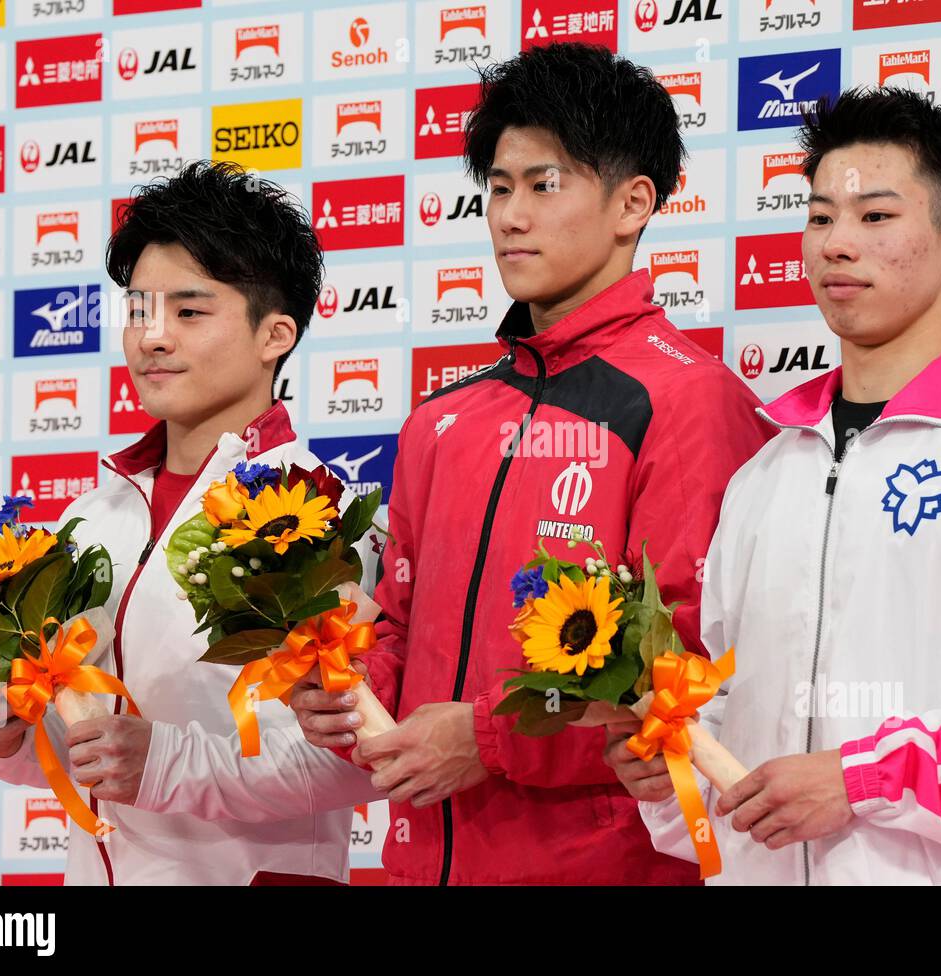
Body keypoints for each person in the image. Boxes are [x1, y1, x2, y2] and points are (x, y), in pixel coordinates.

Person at [607, 87, 941, 885]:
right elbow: (724, 710)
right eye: (819, 218)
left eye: (875, 217)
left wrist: (866, 779)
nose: (836, 244)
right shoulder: (763, 476)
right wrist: (669, 767)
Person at [289, 42, 769, 884]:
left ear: (633, 202)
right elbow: (398, 624)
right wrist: (345, 685)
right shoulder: (443, 420)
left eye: (544, 185)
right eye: (499, 188)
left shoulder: (689, 400)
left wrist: (486, 739)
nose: (511, 216)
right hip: (421, 862)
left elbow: (693, 675)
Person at [0, 161, 380, 885]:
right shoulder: (89, 519)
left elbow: (352, 757)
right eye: (139, 310)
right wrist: (6, 736)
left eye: (188, 312)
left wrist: (162, 761)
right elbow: (85, 754)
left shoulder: (324, 512)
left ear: (274, 334)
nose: (152, 337)